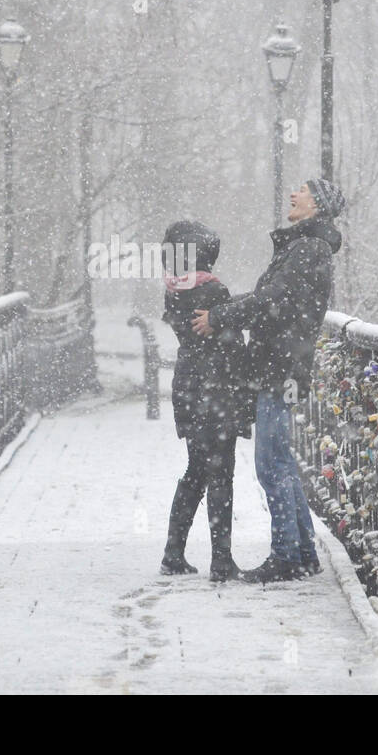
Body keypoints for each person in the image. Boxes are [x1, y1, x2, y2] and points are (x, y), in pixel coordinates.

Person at [192, 179, 346, 583]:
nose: (294, 194)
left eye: (303, 191)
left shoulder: (307, 248)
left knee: (270, 465)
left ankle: (286, 557)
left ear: (317, 206)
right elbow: (269, 296)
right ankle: (303, 552)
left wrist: (219, 316)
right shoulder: (306, 247)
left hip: (280, 370)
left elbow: (271, 300)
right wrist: (225, 308)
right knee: (282, 463)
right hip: (281, 367)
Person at [158, 220, 254, 582]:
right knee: (221, 474)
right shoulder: (212, 290)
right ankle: (221, 560)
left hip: (190, 387)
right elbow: (230, 327)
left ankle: (173, 553)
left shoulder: (177, 288)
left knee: (196, 470)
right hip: (216, 390)